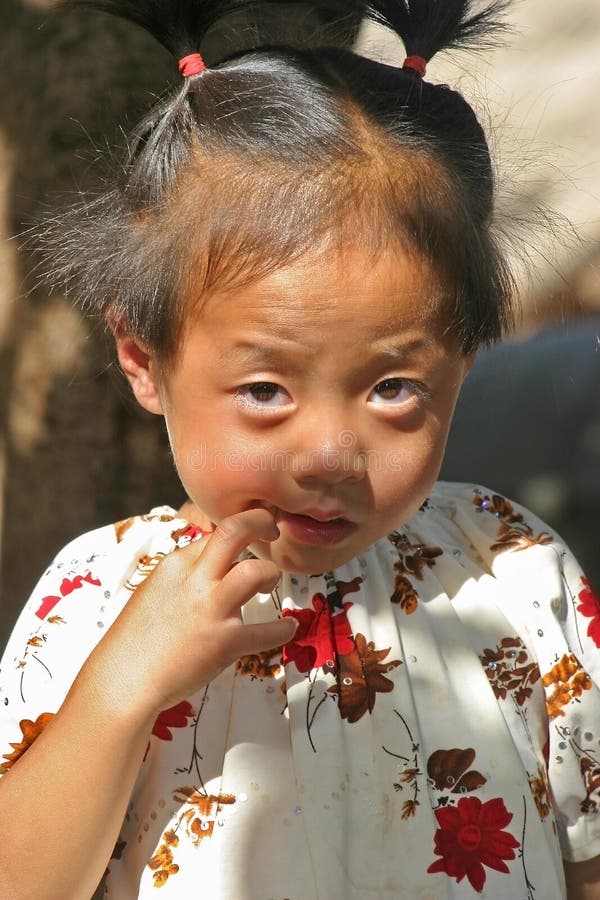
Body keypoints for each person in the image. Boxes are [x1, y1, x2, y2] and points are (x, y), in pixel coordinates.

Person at [0, 0, 599, 896]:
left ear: (464, 359)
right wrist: (120, 693)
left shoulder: (512, 572)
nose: (327, 453)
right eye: (265, 391)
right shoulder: (101, 597)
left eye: (393, 388)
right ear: (143, 359)